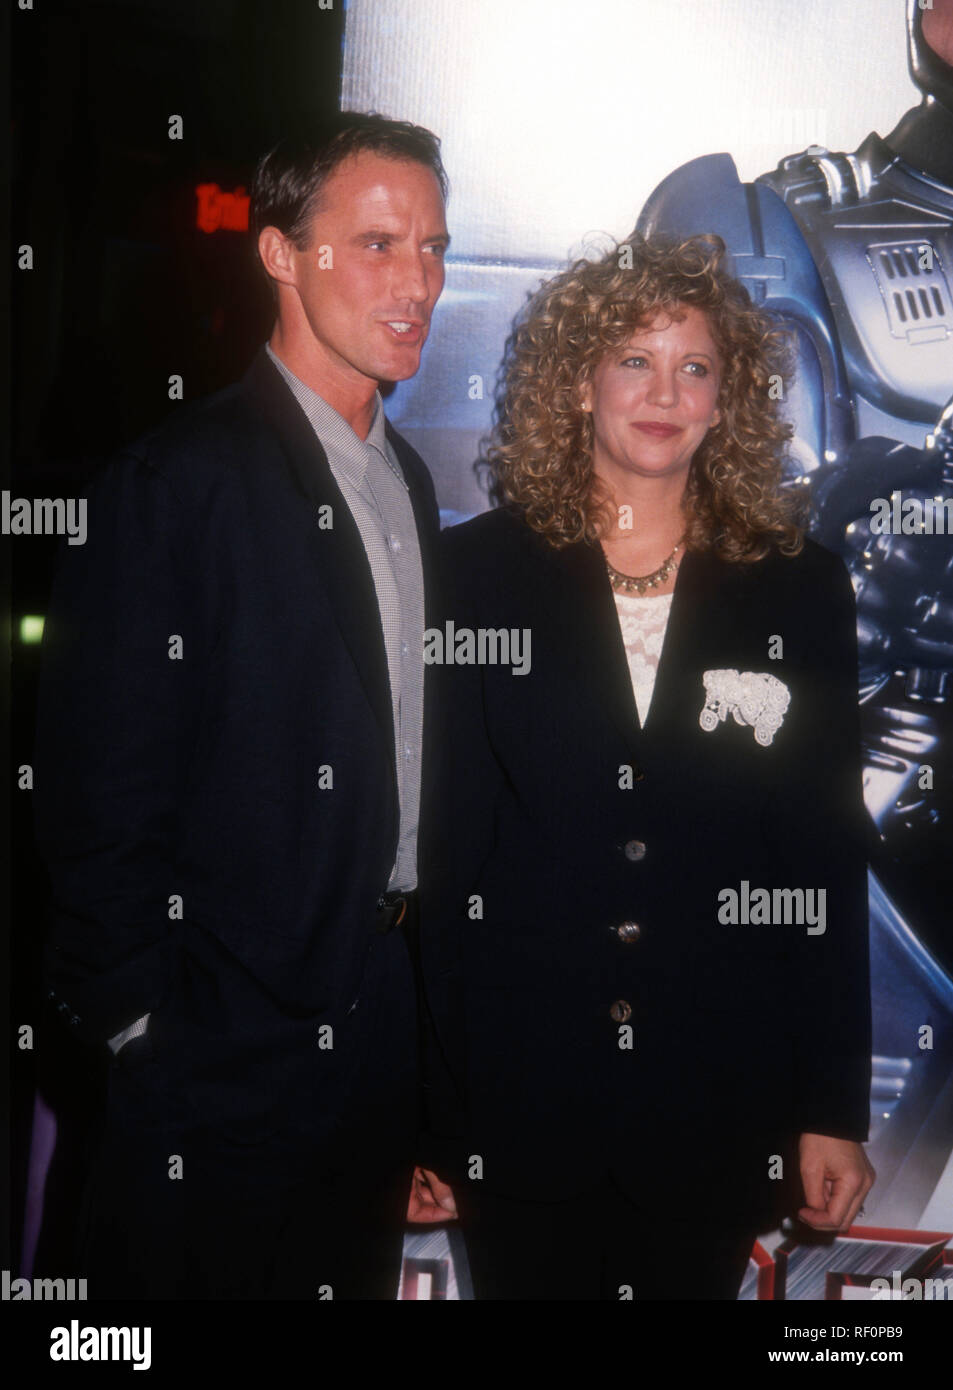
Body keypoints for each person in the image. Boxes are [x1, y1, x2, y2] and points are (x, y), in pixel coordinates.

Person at [33, 111, 457, 1300]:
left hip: (373, 1041)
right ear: (280, 253)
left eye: (432, 247)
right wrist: (143, 1032)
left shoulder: (407, 482)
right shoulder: (178, 480)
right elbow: (96, 797)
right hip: (217, 1049)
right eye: (376, 244)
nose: (416, 281)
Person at [421, 233, 875, 1300]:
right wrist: (427, 1111)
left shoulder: (798, 591)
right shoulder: (471, 577)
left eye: (694, 366)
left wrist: (831, 1108)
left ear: (727, 402)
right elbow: (443, 865)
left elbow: (817, 860)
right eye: (633, 360)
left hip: (717, 1107)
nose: (663, 391)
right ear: (577, 386)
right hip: (517, 1108)